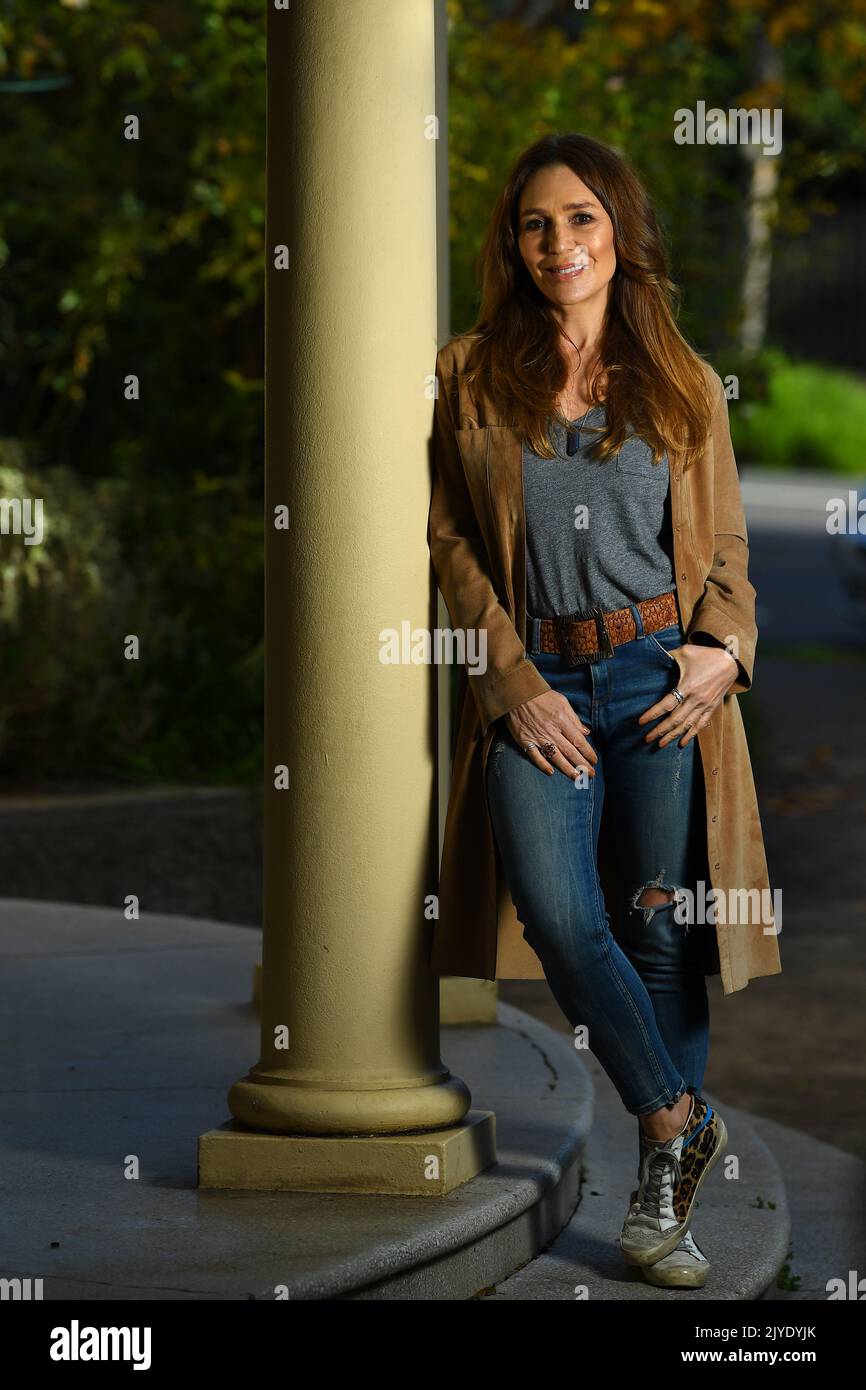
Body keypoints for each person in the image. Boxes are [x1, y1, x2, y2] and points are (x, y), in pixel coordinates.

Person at [427, 133, 773, 1289]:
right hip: (542, 687)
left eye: (579, 218)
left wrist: (720, 654)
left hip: (658, 687)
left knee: (657, 934)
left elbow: (723, 549)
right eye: (534, 224)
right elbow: (450, 543)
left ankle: (660, 1209)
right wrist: (508, 679)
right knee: (562, 918)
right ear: (510, 244)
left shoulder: (679, 375)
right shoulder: (471, 374)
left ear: (616, 230)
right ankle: (680, 1125)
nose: (557, 243)